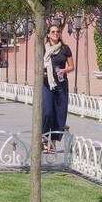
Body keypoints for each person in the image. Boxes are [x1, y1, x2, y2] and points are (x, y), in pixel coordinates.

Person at [41, 22, 74, 152]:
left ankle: (53, 142)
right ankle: (43, 139)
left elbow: (71, 66)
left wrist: (64, 71)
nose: (56, 34)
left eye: (58, 32)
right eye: (53, 32)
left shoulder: (65, 48)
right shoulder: (43, 48)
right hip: (46, 84)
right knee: (48, 112)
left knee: (59, 113)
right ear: (48, 34)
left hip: (61, 84)